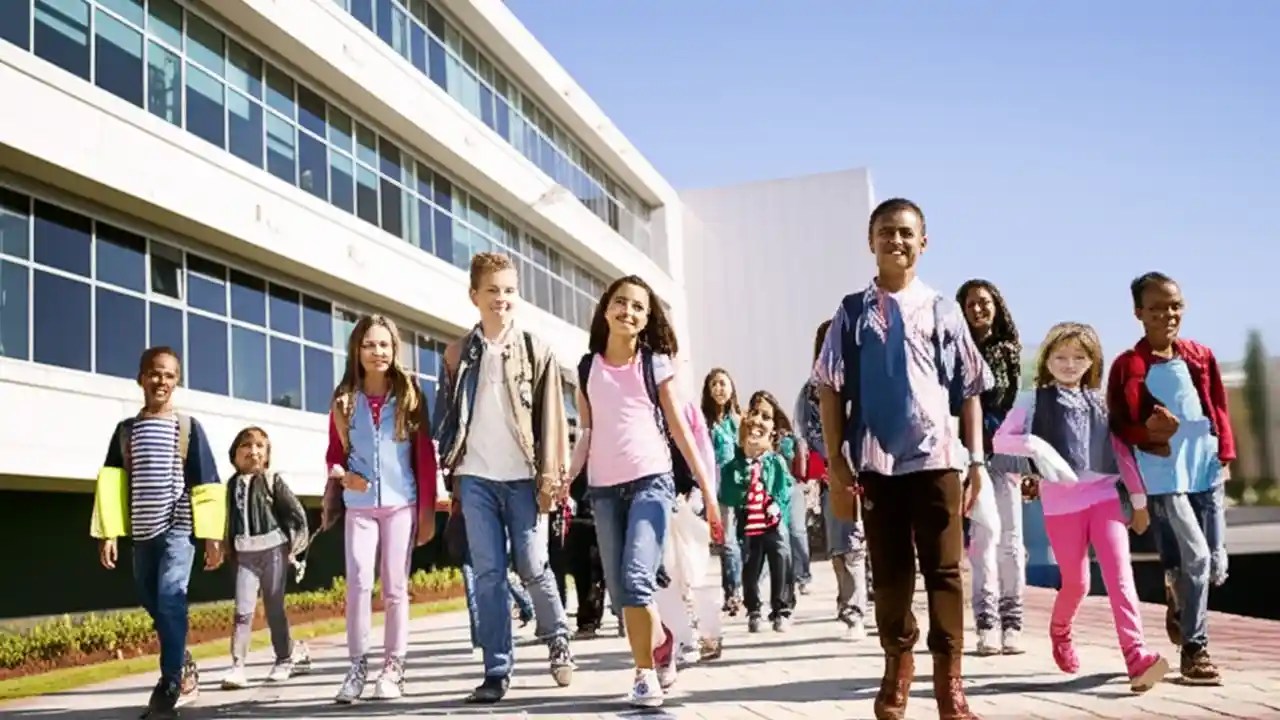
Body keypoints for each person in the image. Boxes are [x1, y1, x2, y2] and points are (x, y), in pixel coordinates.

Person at [813, 198, 989, 720]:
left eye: (906, 233)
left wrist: (976, 459)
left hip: (938, 461)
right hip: (875, 464)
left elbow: (970, 388)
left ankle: (950, 684)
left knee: (946, 573)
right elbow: (828, 387)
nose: (897, 241)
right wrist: (836, 460)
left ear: (924, 242)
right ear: (871, 242)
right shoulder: (850, 312)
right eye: (886, 232)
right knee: (889, 577)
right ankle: (897, 670)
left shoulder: (943, 309)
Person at [570, 274, 722, 708]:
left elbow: (680, 429)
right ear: (605, 309)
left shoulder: (655, 364)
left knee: (637, 580)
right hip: (602, 490)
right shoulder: (587, 367)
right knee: (622, 597)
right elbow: (585, 431)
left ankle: (644, 676)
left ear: (646, 318)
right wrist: (565, 478)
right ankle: (662, 641)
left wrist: (708, 494)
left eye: (639, 307)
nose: (628, 312)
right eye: (621, 303)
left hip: (651, 482)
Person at [994, 322, 1169, 693]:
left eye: (1079, 357)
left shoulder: (1102, 402)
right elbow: (1001, 442)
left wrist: (1138, 501)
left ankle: (1136, 657)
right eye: (1060, 356)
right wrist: (1034, 447)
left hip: (1104, 499)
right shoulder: (1033, 400)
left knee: (1121, 579)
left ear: (1092, 361)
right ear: (1047, 360)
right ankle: (1060, 633)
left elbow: (1122, 453)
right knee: (1077, 584)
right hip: (1061, 506)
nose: (1070, 364)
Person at [434, 252, 575, 704]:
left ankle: (557, 639)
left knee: (533, 563)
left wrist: (551, 477)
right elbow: (446, 418)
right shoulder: (457, 353)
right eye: (492, 290)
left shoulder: (537, 350)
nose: (501, 298)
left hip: (523, 478)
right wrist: (447, 470)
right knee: (489, 574)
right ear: (474, 295)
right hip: (475, 478)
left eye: (509, 290)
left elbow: (553, 420)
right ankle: (497, 669)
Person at [1107, 271, 1233, 686]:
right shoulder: (1129, 364)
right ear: (1138, 313)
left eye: (1174, 305)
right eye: (1157, 307)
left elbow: (1218, 406)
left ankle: (1178, 596)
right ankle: (1195, 650)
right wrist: (1151, 434)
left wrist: (1225, 453)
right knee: (1196, 556)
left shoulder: (1200, 355)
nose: (1167, 314)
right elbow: (1121, 424)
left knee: (1214, 564)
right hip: (1163, 474)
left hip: (1205, 467)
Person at [91, 346, 224, 718]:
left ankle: (171, 681)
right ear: (140, 379)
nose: (160, 380)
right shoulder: (126, 431)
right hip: (141, 531)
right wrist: (109, 533)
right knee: (151, 599)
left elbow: (207, 481)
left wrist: (213, 536)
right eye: (154, 373)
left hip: (178, 527)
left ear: (177, 381)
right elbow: (111, 485)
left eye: (168, 374)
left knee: (170, 596)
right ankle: (183, 662)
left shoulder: (187, 427)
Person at [323, 314, 438, 703]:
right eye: (369, 345)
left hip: (401, 505)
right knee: (357, 583)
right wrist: (342, 478)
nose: (378, 352)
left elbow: (424, 458)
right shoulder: (344, 400)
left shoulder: (410, 396)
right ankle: (356, 667)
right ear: (357, 350)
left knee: (395, 587)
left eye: (384, 345)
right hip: (359, 508)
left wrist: (426, 513)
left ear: (395, 350)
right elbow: (334, 456)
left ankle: (393, 668)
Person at [956, 278, 1029, 655]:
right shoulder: (955, 352)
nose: (978, 309)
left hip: (1003, 454)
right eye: (970, 304)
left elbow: (1006, 402)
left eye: (984, 302)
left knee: (1012, 542)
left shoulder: (1008, 352)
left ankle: (1012, 621)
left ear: (996, 306)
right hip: (969, 455)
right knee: (982, 539)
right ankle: (986, 621)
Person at [215, 426, 312, 689]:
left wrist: (295, 546)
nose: (253, 452)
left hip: (273, 552)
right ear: (235, 454)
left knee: (274, 608)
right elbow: (228, 520)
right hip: (244, 555)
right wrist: (226, 546)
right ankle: (237, 666)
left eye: (260, 447)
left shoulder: (272, 481)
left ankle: (284, 658)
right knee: (242, 611)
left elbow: (297, 514)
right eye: (246, 446)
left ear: (267, 455)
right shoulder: (231, 485)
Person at [795, 319, 870, 639]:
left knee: (878, 544)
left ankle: (882, 604)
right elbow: (810, 430)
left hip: (875, 471)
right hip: (837, 475)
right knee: (846, 544)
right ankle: (852, 611)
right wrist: (837, 460)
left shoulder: (867, 377)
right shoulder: (812, 389)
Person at [720, 413, 795, 632]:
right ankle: (753, 608)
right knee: (751, 565)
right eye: (749, 436)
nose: (754, 440)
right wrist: (743, 487)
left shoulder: (775, 462)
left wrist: (776, 505)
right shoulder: (734, 466)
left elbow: (785, 488)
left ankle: (781, 609)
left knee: (780, 559)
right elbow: (727, 493)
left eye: (759, 435)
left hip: (773, 521)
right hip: (750, 521)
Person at [701, 368, 744, 615]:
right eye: (714, 384)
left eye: (723, 384)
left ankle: (741, 589)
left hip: (737, 486)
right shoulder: (703, 422)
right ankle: (732, 592)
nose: (719, 388)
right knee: (727, 542)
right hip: (714, 487)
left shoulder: (739, 421)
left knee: (740, 541)